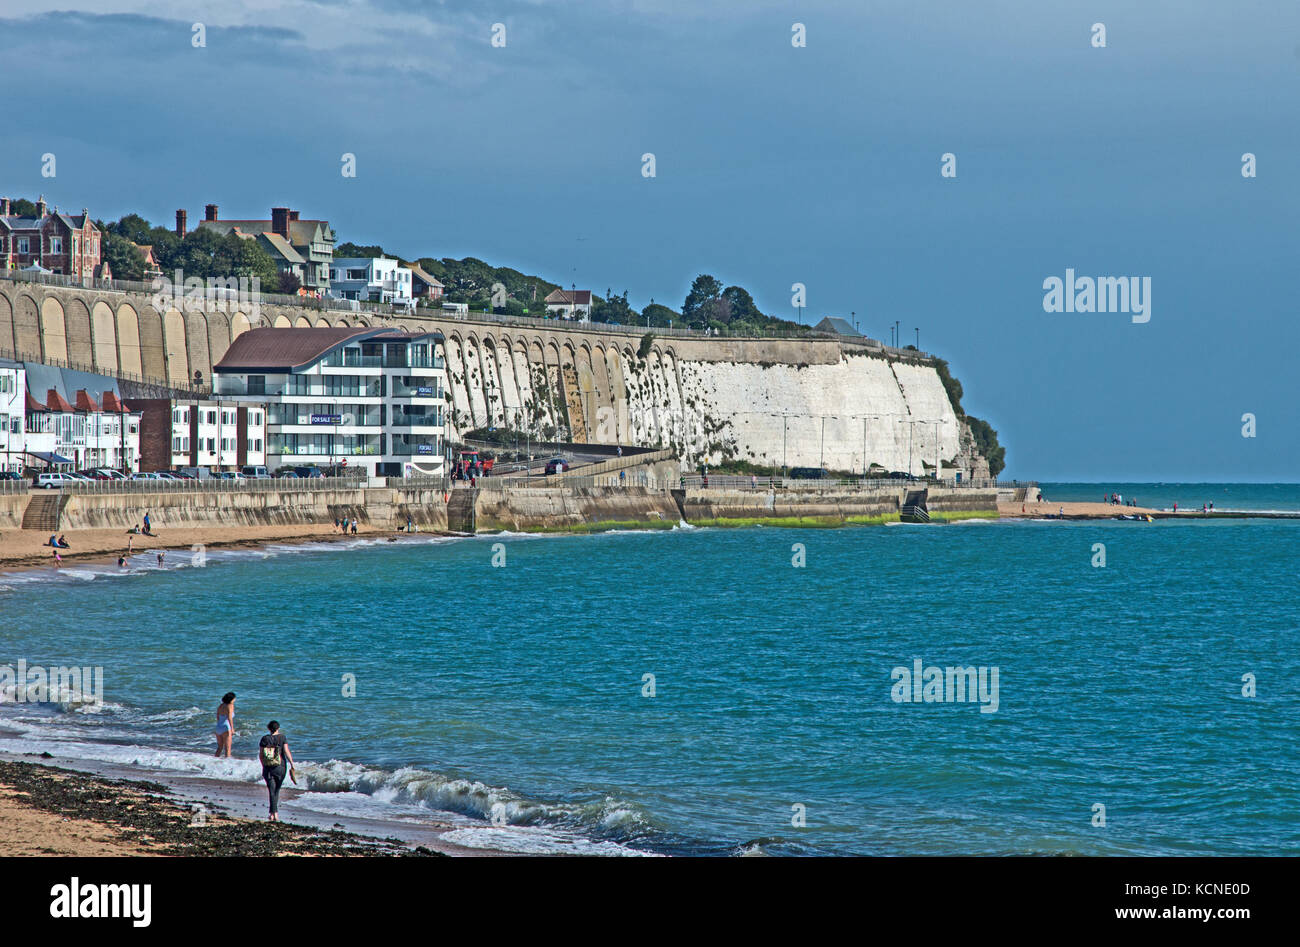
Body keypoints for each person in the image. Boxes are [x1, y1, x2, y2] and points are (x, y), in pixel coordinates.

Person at [258, 720, 296, 822]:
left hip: (268, 768)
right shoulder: (282, 737)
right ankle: (275, 813)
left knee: (271, 790)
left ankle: (273, 814)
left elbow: (261, 755)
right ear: (278, 728)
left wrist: (264, 766)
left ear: (268, 728)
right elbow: (286, 751)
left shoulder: (264, 739)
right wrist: (292, 763)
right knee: (277, 790)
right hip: (281, 767)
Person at [214, 692, 236, 758]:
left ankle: (215, 761)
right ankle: (227, 765)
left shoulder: (221, 705)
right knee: (228, 748)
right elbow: (229, 718)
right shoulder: (230, 706)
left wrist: (219, 725)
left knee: (220, 747)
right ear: (231, 699)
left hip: (218, 727)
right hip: (226, 727)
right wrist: (232, 728)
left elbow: (217, 716)